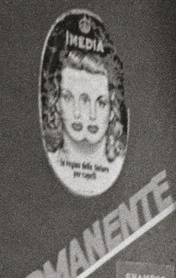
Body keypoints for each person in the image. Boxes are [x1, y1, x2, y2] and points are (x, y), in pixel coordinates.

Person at [41, 47, 126, 196]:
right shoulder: (47, 162)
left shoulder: (120, 167)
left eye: (101, 103)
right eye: (69, 98)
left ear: (112, 110)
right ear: (57, 103)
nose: (89, 115)